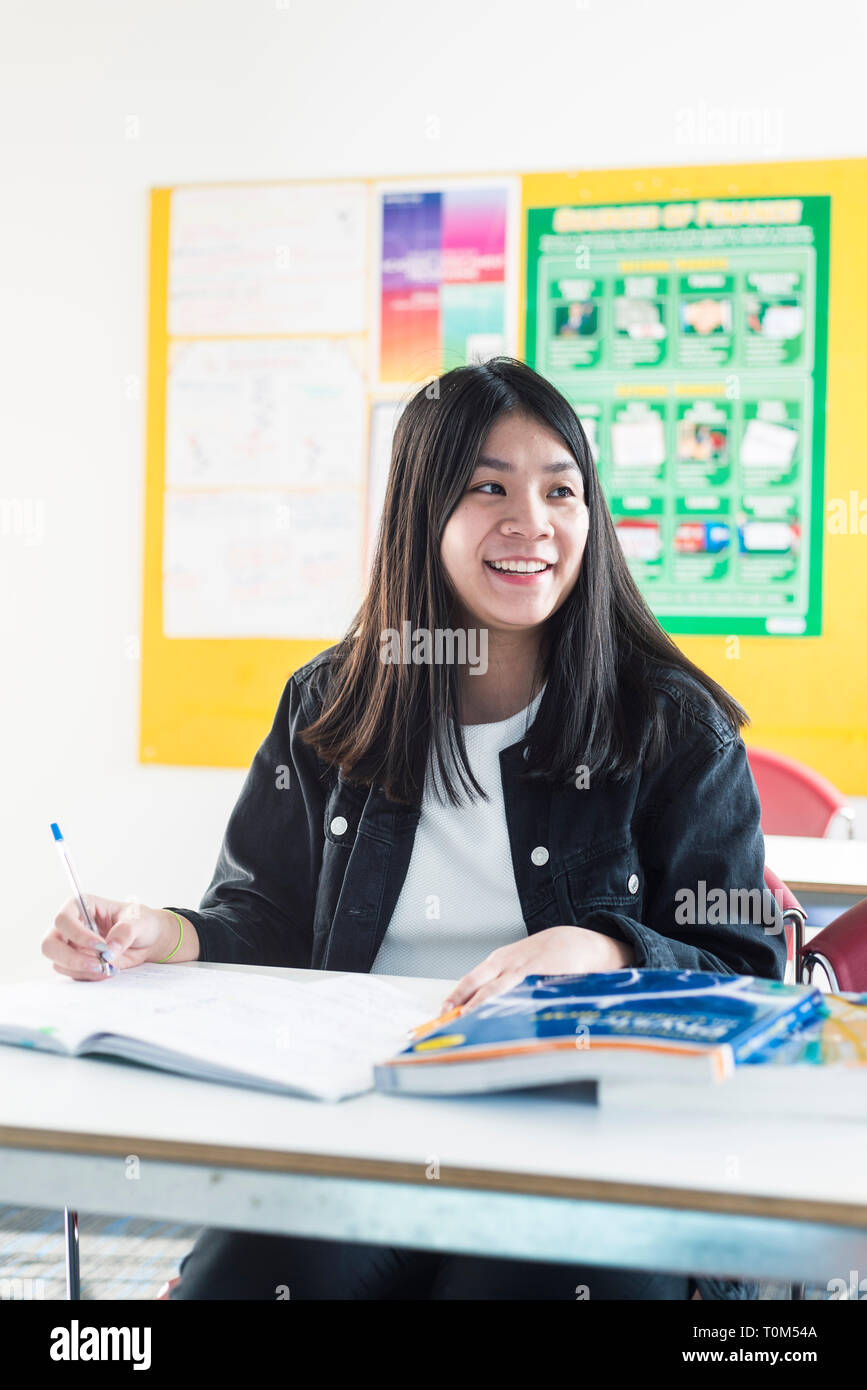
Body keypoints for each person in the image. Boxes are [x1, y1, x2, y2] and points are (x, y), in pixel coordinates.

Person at [44, 358, 785, 1299]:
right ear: (421, 513)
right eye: (488, 488)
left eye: (561, 490)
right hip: (360, 1130)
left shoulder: (670, 722)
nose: (532, 522)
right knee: (245, 1284)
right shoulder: (332, 701)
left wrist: (601, 950)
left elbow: (748, 972)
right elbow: (265, 916)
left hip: (590, 1141)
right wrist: (167, 932)